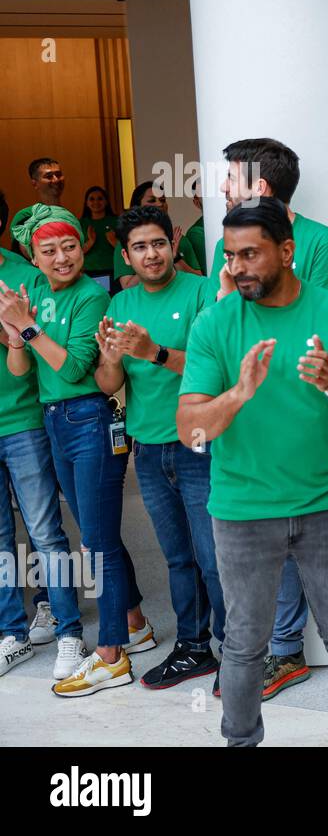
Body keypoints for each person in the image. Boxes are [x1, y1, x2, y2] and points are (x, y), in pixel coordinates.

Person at [177, 197, 328, 746]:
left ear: (288, 251)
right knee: (246, 643)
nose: (238, 267)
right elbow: (190, 429)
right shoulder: (214, 323)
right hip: (244, 514)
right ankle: (240, 745)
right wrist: (239, 393)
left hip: (327, 506)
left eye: (251, 253)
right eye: (230, 256)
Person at [211, 138, 328, 704]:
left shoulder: (322, 243)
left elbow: (327, 330)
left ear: (260, 188)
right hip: (252, 427)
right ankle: (285, 651)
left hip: (319, 423)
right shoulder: (230, 245)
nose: (220, 188)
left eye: (230, 179)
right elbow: (218, 334)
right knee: (272, 540)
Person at [2, 203, 155, 697]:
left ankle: (111, 654)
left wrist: (28, 329)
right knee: (95, 533)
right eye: (49, 251)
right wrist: (18, 339)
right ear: (34, 256)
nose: (62, 257)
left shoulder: (91, 295)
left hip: (90, 418)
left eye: (69, 246)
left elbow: (72, 371)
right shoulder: (36, 292)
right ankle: (134, 621)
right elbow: (25, 371)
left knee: (97, 541)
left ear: (82, 246)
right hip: (53, 421)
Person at [95, 204, 225, 690]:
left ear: (173, 241)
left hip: (200, 444)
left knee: (214, 556)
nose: (151, 255)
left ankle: (237, 653)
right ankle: (194, 649)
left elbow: (214, 369)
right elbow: (109, 383)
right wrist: (110, 358)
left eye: (158, 243)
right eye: (139, 247)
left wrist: (153, 352)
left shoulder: (205, 290)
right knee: (177, 556)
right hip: (147, 448)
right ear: (125, 254)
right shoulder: (119, 306)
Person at [0, 195, 84, 682]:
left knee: (45, 531)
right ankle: (12, 633)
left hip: (22, 416)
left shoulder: (25, 274)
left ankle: (65, 626)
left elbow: (35, 345)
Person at [115, 181, 203, 289]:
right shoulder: (128, 243)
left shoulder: (181, 240)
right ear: (137, 206)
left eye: (162, 200)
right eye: (152, 200)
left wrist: (176, 259)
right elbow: (127, 286)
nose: (160, 204)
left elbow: (199, 280)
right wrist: (154, 265)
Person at [78, 185, 118, 290]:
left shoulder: (116, 221)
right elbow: (75, 252)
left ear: (106, 202)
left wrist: (114, 241)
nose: (96, 202)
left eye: (100, 198)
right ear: (86, 203)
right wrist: (90, 242)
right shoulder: (81, 223)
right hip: (88, 272)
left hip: (113, 270)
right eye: (92, 199)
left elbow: (127, 249)